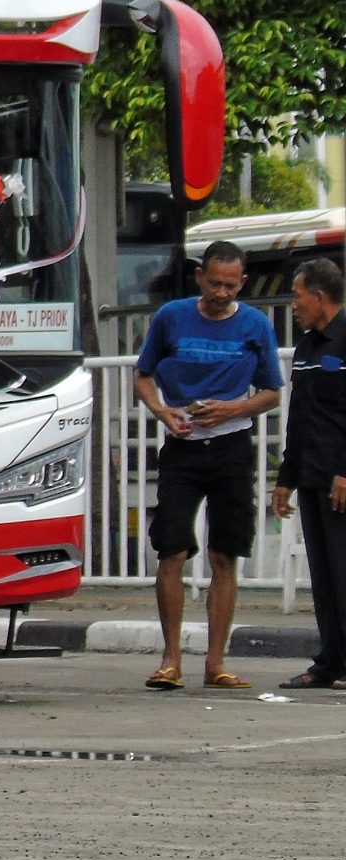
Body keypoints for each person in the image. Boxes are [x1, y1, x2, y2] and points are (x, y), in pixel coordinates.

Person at [132, 239, 282, 690]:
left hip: (232, 447)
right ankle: (170, 658)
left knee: (225, 553)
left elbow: (272, 392)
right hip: (181, 447)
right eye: (215, 283)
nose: (221, 293)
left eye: (231, 286)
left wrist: (232, 410)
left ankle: (216, 662)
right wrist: (162, 411)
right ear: (200, 277)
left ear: (243, 283)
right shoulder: (171, 317)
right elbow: (143, 375)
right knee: (172, 548)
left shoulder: (256, 325)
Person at [271, 258, 346, 689]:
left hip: (341, 480)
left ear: (319, 296)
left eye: (298, 296)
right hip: (313, 476)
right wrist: (286, 478)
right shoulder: (307, 348)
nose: (294, 305)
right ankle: (330, 663)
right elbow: (299, 418)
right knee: (323, 575)